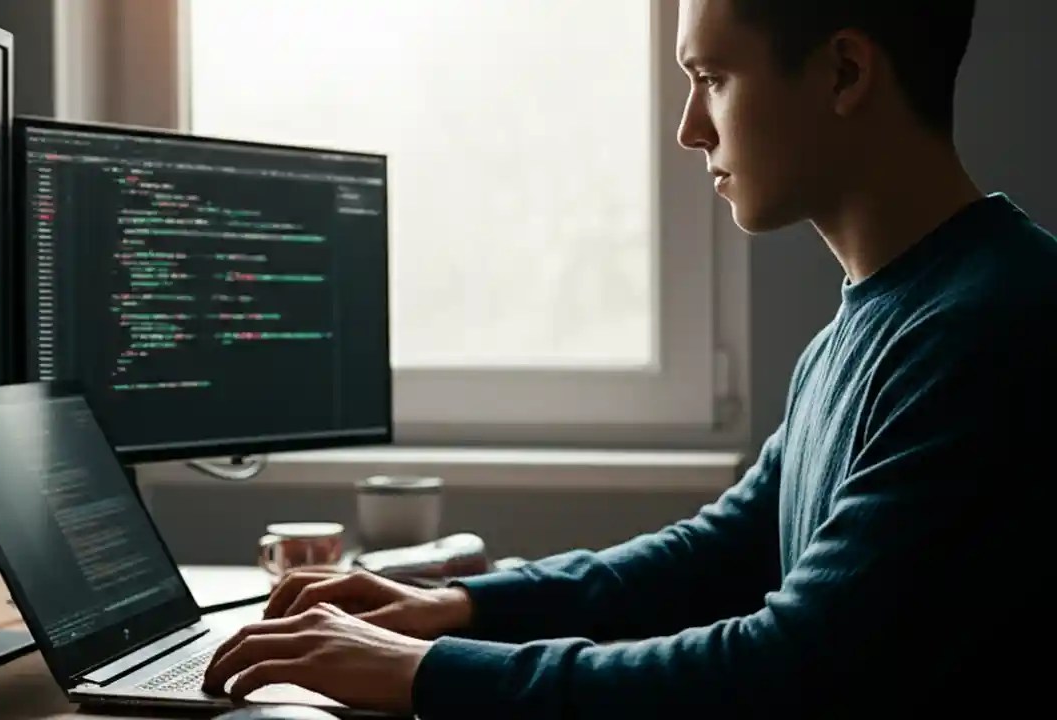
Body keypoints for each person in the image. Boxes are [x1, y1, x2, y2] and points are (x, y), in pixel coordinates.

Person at [204, 0, 1057, 716]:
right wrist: (453, 610)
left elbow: (793, 665)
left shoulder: (991, 327)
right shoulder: (870, 328)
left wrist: (421, 673)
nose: (690, 129)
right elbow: (725, 551)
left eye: (712, 80)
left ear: (843, 73)